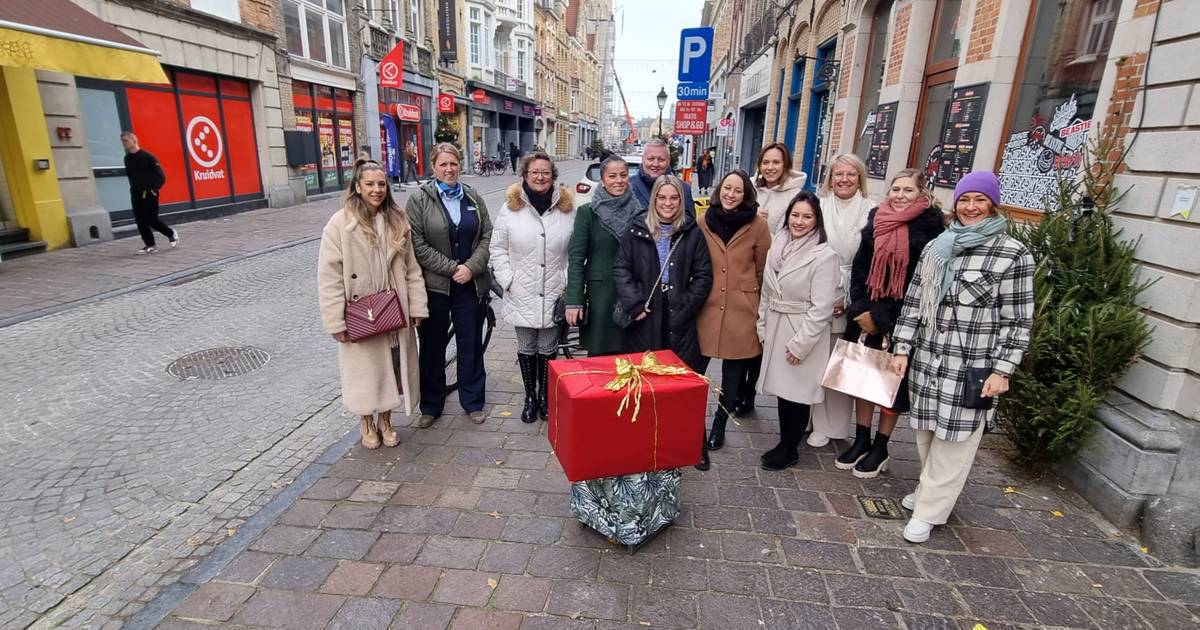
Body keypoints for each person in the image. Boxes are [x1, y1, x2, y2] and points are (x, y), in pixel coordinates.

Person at [889, 171, 1034, 543]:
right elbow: (913, 303)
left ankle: (929, 511)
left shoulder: (1013, 254)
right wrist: (902, 348)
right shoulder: (939, 246)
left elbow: (1017, 320)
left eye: (979, 200)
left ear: (993, 205)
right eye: (965, 200)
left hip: (971, 367)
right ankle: (927, 491)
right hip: (930, 361)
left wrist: (1003, 370)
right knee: (925, 431)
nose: (971, 207)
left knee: (955, 441)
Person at [570, 174, 711, 548]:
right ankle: (645, 448)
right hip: (644, 320)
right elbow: (622, 270)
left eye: (673, 198)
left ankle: (683, 449)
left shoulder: (691, 233)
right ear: (653, 201)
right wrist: (634, 305)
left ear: (681, 201)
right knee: (646, 386)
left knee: (677, 389)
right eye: (662, 197)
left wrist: (682, 309)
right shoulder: (637, 229)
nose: (667, 203)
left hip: (677, 321)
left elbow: (703, 277)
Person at [837, 168, 945, 478]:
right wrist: (861, 310)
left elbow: (920, 284)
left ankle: (881, 446)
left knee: (890, 386)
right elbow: (860, 270)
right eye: (895, 189)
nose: (899, 195)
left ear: (921, 195)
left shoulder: (931, 231)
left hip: (902, 322)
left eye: (907, 190)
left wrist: (884, 319)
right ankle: (861, 439)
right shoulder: (876, 221)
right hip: (866, 315)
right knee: (863, 378)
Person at [317, 158, 428, 449]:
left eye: (381, 184)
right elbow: (328, 277)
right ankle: (366, 420)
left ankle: (386, 420)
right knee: (365, 371)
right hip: (360, 312)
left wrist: (416, 306)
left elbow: (412, 267)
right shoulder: (339, 224)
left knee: (392, 367)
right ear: (357, 186)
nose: (377, 189)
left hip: (393, 309)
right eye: (370, 184)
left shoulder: (397, 219)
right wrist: (335, 321)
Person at [407, 143, 493, 427]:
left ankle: (473, 401)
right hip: (435, 288)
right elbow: (416, 243)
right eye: (443, 164)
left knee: (470, 344)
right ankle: (431, 405)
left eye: (453, 163)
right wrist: (452, 268)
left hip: (470, 285)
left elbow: (486, 235)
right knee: (432, 347)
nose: (449, 169)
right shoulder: (419, 199)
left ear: (460, 164)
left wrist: (471, 267)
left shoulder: (472, 196)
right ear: (433, 167)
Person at [756, 190, 839, 470]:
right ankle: (784, 442)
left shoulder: (824, 255)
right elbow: (767, 291)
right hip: (778, 326)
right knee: (783, 391)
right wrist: (763, 325)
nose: (799, 221)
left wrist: (801, 343)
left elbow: (822, 308)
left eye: (807, 216)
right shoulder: (777, 245)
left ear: (817, 221)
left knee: (798, 393)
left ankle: (789, 447)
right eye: (795, 215)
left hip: (802, 330)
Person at [490, 151, 575, 423]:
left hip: (553, 289)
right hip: (521, 289)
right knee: (526, 345)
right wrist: (508, 279)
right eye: (534, 172)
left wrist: (567, 280)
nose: (540, 177)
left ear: (553, 176)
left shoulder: (566, 208)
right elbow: (497, 248)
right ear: (525, 175)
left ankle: (545, 398)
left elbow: (577, 250)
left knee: (548, 347)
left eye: (545, 172)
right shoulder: (510, 208)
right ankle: (529, 397)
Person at [696, 170, 773, 457]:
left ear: (746, 195)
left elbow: (763, 268)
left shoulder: (758, 226)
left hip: (742, 308)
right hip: (706, 307)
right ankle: (695, 428)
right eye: (727, 188)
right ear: (719, 190)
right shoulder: (704, 221)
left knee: (733, 373)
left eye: (738, 190)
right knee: (695, 372)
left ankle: (720, 423)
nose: (731, 194)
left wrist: (750, 294)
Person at [808, 154, 875, 447]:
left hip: (856, 291)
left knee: (842, 360)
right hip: (822, 287)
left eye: (851, 174)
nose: (844, 179)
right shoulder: (819, 206)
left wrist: (851, 299)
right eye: (838, 174)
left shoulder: (872, 210)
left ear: (860, 178)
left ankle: (832, 426)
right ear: (830, 178)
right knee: (817, 360)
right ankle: (811, 420)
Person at [564, 154, 639, 356]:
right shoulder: (588, 213)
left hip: (632, 295)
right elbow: (576, 260)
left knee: (630, 359)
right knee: (599, 364)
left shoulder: (639, 212)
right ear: (603, 180)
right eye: (612, 176)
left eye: (623, 175)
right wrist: (574, 300)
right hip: (600, 299)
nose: (619, 180)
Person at [121, 131, 177, 254]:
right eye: (122, 141)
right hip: (136, 193)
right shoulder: (127, 159)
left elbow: (161, 176)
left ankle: (170, 233)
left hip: (150, 192)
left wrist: (154, 189)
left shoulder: (148, 157)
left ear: (134, 141)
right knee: (140, 220)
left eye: (125, 140)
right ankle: (150, 244)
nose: (123, 143)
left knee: (151, 219)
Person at [630, 138, 695, 215]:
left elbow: (690, 222)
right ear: (643, 159)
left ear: (668, 160)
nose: (655, 164)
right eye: (651, 159)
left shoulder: (684, 189)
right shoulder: (628, 187)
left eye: (661, 160)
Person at [754, 142, 808, 233]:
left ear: (785, 166)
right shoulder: (748, 187)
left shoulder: (796, 196)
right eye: (765, 162)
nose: (770, 167)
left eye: (776, 162)